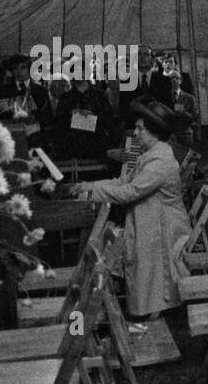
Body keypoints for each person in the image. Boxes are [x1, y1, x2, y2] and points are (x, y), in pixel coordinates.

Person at [74, 100, 192, 321]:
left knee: (155, 271)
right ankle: (150, 310)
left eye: (140, 128)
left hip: (163, 223)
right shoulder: (149, 156)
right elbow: (122, 181)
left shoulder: (162, 161)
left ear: (154, 132)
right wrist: (89, 186)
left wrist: (91, 193)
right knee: (145, 268)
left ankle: (158, 312)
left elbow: (129, 192)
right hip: (149, 218)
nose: (135, 133)